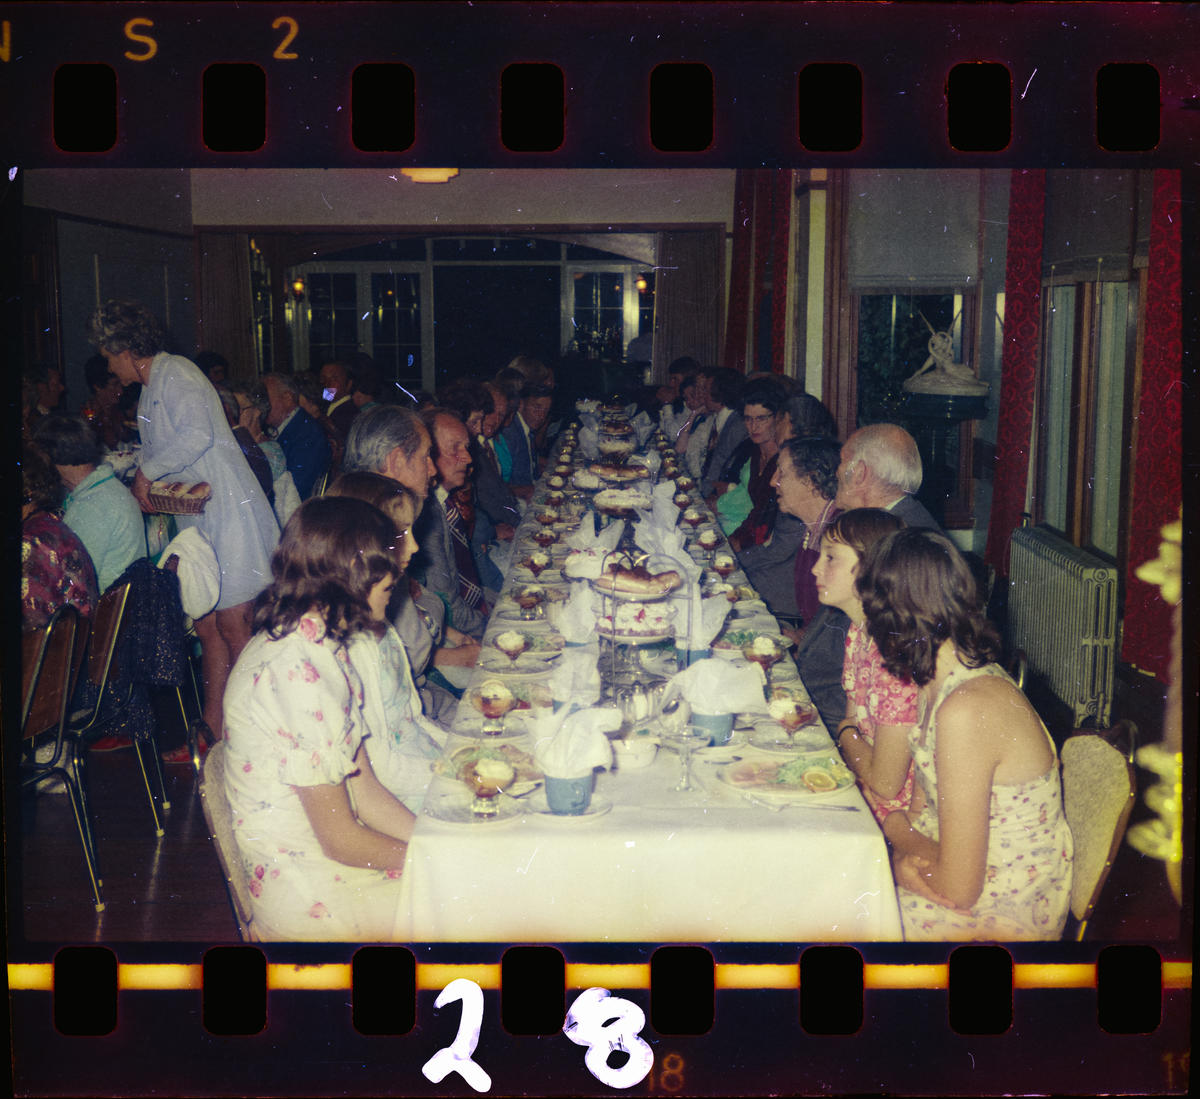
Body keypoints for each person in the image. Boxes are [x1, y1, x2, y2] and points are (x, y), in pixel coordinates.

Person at [858, 528, 1073, 941]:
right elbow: (917, 815)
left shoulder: (966, 709)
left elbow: (958, 886)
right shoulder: (938, 681)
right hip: (964, 872)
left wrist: (900, 857)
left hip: (1001, 912)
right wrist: (903, 839)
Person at [221, 496, 416, 941]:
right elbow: (339, 840)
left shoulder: (320, 642)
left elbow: (364, 790)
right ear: (350, 571)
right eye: (385, 563)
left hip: (322, 852)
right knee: (468, 908)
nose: (397, 573)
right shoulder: (298, 671)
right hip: (304, 881)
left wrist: (435, 845)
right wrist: (431, 862)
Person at [88, 299, 279, 745]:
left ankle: (258, 735)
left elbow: (198, 435)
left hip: (228, 511)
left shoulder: (178, 373)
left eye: (108, 353)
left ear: (125, 348)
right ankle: (215, 729)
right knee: (210, 623)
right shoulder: (155, 382)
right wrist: (148, 470)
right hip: (199, 515)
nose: (107, 363)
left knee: (235, 625)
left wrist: (146, 474)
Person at [343, 404, 481, 712]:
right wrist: (432, 616)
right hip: (410, 701)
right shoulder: (373, 541)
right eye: (425, 456)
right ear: (394, 462)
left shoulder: (367, 519)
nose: (433, 469)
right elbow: (414, 652)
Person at [324, 474, 444, 810]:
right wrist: (452, 774)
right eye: (401, 534)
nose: (415, 546)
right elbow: (381, 768)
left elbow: (415, 719)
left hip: (422, 766)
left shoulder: (380, 624)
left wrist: (460, 750)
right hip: (399, 795)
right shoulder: (353, 648)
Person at [813, 509, 918, 827]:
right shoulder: (860, 632)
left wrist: (845, 732)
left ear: (872, 569)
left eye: (831, 558)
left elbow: (886, 785)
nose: (816, 569)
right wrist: (849, 732)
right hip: (860, 784)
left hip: (892, 818)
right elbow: (852, 720)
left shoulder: (895, 660)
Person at [33, 414, 146, 592]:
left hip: (104, 611)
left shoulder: (91, 507)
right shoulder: (105, 488)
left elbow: (70, 581)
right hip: (121, 601)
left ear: (53, 459)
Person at [413, 408, 489, 640]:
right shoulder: (425, 515)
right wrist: (492, 626)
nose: (467, 458)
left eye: (466, 447)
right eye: (455, 448)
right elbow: (450, 608)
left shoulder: (446, 502)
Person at [21, 444, 99, 631]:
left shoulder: (29, 542)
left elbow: (31, 626)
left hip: (53, 654)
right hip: (73, 647)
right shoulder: (50, 523)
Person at [771, 435, 842, 626]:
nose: (773, 482)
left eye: (782, 474)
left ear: (811, 480)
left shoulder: (839, 534)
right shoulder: (813, 528)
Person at [720, 378, 787, 552]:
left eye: (761, 419)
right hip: (746, 529)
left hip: (764, 545)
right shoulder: (755, 450)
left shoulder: (784, 460)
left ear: (778, 417)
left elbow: (765, 517)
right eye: (748, 419)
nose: (753, 426)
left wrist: (735, 542)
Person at [834, 423, 941, 530]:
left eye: (843, 461)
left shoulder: (898, 536)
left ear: (860, 473)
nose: (837, 472)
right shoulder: (903, 520)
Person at [264, 372, 332, 499]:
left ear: (288, 398)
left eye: (266, 398)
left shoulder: (307, 434)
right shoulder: (281, 428)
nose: (262, 404)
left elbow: (296, 492)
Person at [698, 367, 748, 501]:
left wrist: (708, 494)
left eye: (706, 391)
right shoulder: (719, 419)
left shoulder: (737, 425)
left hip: (721, 498)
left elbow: (726, 468)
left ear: (721, 395)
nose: (702, 395)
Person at [499, 383, 552, 496]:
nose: (541, 416)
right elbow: (499, 486)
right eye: (537, 407)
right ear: (521, 405)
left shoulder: (527, 428)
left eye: (546, 411)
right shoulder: (511, 432)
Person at [80, 354, 132, 451]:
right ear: (98, 387)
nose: (120, 391)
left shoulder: (117, 410)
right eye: (115, 384)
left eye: (120, 384)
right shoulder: (88, 414)